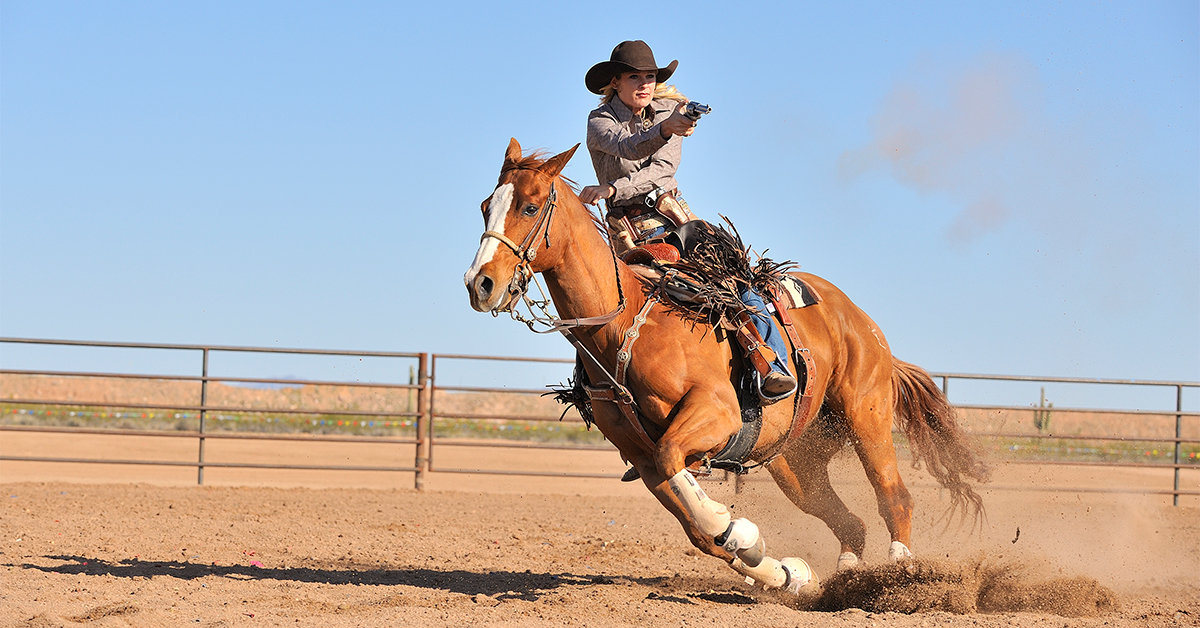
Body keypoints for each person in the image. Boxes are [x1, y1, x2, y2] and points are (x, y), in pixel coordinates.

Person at [579, 40, 797, 401]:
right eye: (635, 76)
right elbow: (629, 148)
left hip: (673, 219)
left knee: (736, 279)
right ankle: (592, 389)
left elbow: (662, 170)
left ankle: (773, 366)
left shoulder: (669, 110)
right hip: (626, 232)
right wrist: (666, 130)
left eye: (650, 76)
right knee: (596, 302)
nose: (645, 83)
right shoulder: (599, 121)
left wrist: (611, 189)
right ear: (615, 82)